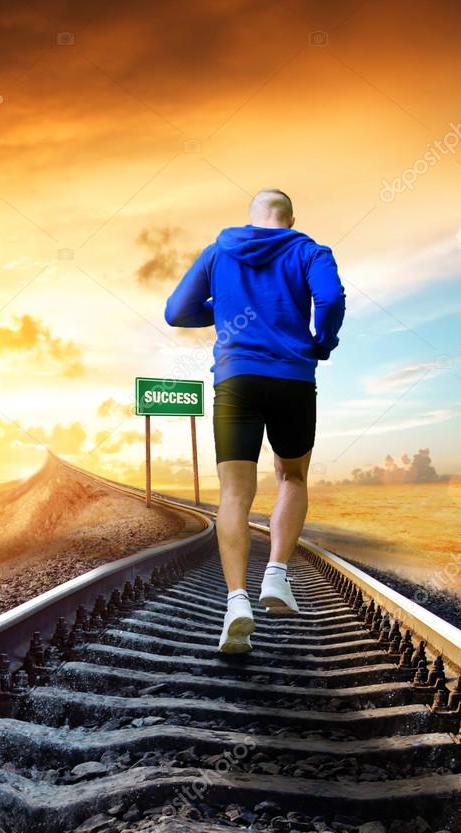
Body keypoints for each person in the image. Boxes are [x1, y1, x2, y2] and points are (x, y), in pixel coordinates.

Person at [164, 189, 346, 653]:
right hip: (293, 380)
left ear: (251, 217)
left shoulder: (219, 250)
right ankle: (277, 575)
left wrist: (222, 311)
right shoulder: (309, 251)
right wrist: (320, 343)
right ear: (289, 217)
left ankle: (236, 601)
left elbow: (176, 311)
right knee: (291, 476)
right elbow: (330, 299)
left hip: (237, 380)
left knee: (234, 494)